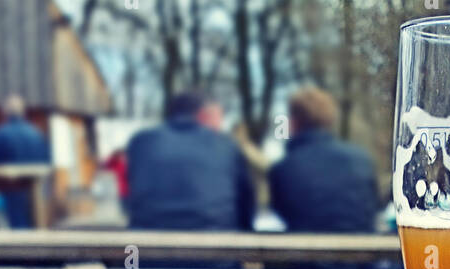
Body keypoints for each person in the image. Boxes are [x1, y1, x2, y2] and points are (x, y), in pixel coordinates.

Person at [127, 92, 256, 232]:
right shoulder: (225, 145)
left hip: (147, 243)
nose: (221, 124)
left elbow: (133, 190)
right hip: (216, 241)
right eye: (219, 117)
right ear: (203, 115)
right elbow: (245, 204)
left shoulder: (141, 142)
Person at [269, 86, 380, 234]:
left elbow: (281, 210)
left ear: (294, 121)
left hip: (304, 254)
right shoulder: (361, 160)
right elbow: (373, 206)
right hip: (362, 253)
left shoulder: (283, 168)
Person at [0, 96, 51, 230]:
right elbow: (46, 160)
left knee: (17, 230)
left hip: (12, 191)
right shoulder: (36, 133)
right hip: (37, 190)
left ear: (5, 112)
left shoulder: (1, 134)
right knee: (37, 227)